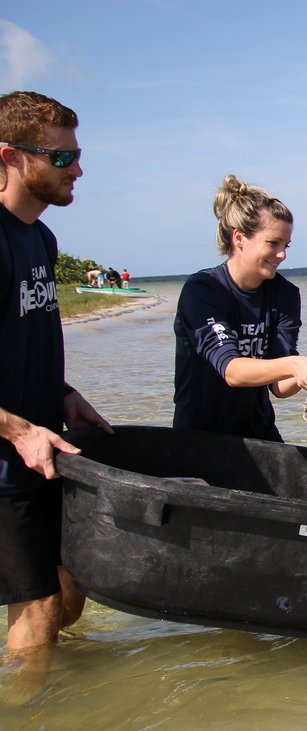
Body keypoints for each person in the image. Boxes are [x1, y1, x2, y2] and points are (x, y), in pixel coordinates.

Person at [0, 91, 111, 674]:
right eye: (62, 158)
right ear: (13, 158)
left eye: (76, 154)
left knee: (72, 589)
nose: (78, 169)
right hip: (8, 457)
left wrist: (64, 395)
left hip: (46, 445)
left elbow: (22, 340)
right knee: (39, 604)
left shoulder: (40, 239)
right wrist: (18, 430)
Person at [172, 174, 307, 442]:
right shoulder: (203, 290)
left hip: (259, 433)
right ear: (239, 238)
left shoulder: (285, 294)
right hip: (198, 437)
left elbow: (279, 387)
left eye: (286, 245)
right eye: (273, 243)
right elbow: (232, 371)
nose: (282, 255)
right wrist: (294, 364)